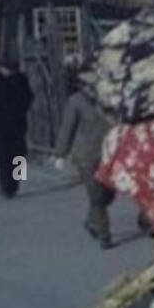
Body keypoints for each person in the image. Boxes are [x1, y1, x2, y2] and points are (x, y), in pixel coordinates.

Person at [51, 75, 114, 246]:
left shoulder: (110, 99)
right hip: (86, 156)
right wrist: (60, 154)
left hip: (109, 154)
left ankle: (92, 220)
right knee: (96, 196)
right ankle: (104, 235)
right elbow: (67, 128)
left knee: (108, 194)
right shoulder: (76, 102)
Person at [0, 56, 34, 198]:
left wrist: (21, 109)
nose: (10, 72)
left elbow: (29, 97)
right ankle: (6, 186)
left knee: (19, 153)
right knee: (4, 155)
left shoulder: (21, 79)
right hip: (1, 124)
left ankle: (17, 182)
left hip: (18, 122)